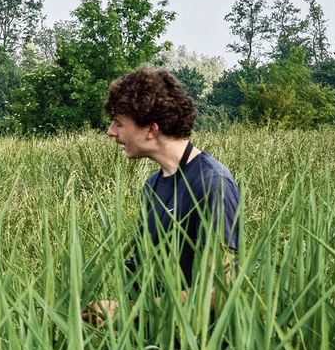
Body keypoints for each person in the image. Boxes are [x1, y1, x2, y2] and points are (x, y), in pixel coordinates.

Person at [86, 65, 239, 326]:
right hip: (157, 343)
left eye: (119, 123)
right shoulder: (153, 185)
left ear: (151, 129)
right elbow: (146, 271)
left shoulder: (213, 184)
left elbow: (220, 292)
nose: (111, 132)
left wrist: (129, 311)